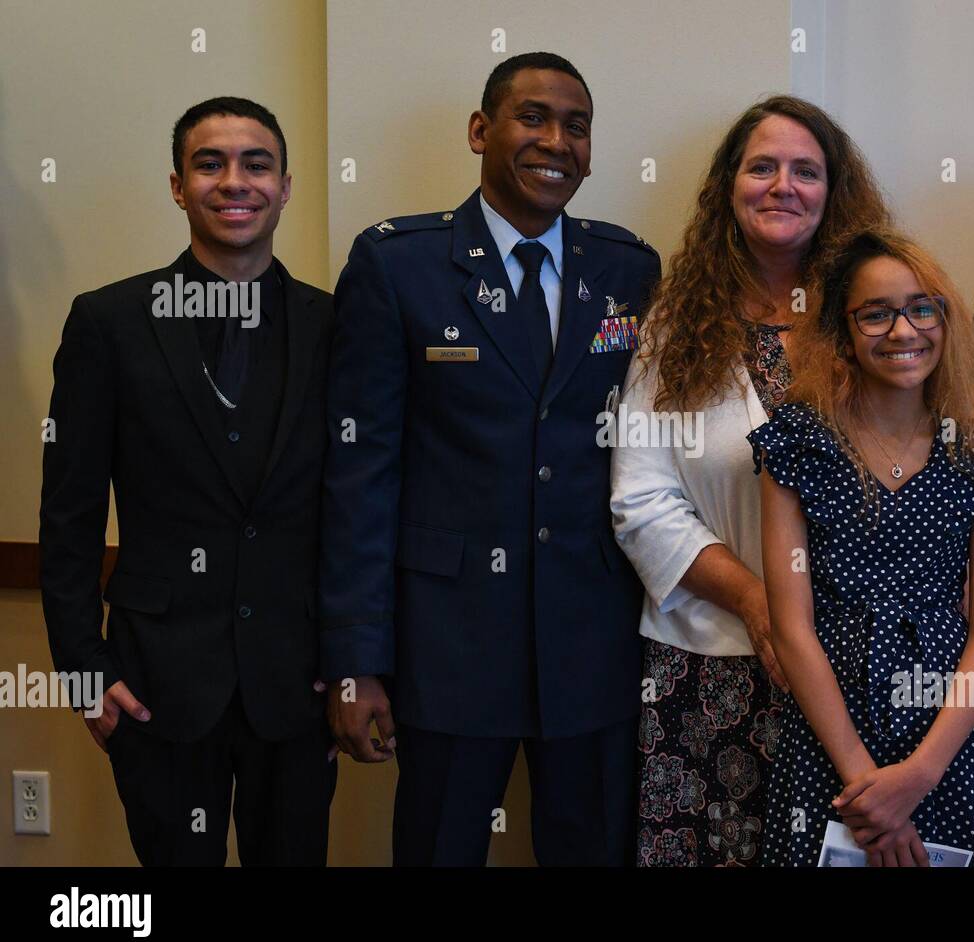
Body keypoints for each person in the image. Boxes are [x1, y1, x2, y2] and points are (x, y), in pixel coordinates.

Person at [320, 52, 660, 866]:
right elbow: (360, 474)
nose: (556, 141)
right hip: (448, 645)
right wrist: (356, 663)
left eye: (576, 126)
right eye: (533, 117)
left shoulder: (627, 269)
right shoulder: (399, 265)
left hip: (590, 643)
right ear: (480, 130)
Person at [39, 97, 337, 865]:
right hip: (155, 682)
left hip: (298, 680)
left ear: (286, 184)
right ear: (178, 185)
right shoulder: (107, 323)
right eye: (210, 163)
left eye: (256, 163)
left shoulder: (335, 326)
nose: (234, 181)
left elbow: (359, 502)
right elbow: (68, 516)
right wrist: (81, 670)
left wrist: (358, 656)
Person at [610, 95, 889, 866]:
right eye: (760, 166)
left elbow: (919, 477)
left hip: (853, 663)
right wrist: (757, 600)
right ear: (729, 186)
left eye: (806, 170)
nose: (782, 185)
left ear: (834, 190)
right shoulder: (673, 327)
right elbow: (640, 500)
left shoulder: (875, 320)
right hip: (708, 670)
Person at [749, 230, 974, 867]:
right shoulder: (797, 444)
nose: (903, 330)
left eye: (922, 308)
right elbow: (791, 628)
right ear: (843, 332)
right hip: (830, 729)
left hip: (947, 728)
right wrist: (869, 788)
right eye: (876, 313)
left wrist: (919, 775)